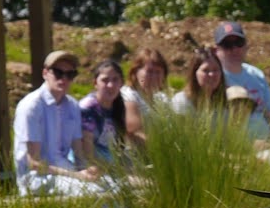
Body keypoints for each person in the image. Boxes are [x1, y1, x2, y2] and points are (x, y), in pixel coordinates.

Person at [12, 51, 107, 195]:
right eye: (58, 72)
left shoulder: (72, 106)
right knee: (94, 192)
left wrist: (88, 169)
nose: (63, 78)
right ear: (45, 74)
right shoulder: (31, 106)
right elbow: (34, 163)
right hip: (37, 179)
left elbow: (79, 154)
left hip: (67, 173)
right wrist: (77, 175)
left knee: (114, 187)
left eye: (70, 75)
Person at [212, 20, 270, 140]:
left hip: (267, 143)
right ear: (216, 50)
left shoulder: (255, 74)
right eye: (227, 44)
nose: (234, 49)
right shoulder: (214, 76)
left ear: (246, 45)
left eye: (238, 43)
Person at [78, 58, 141, 163]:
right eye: (105, 80)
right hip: (91, 166)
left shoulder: (117, 106)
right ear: (95, 83)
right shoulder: (88, 107)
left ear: (121, 83)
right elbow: (87, 152)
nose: (110, 85)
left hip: (111, 161)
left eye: (115, 80)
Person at [170, 48, 231, 116]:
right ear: (194, 73)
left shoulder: (224, 106)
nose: (211, 74)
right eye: (205, 70)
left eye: (215, 70)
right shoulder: (182, 101)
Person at [124, 49, 171, 118]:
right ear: (135, 72)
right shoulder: (127, 97)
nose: (154, 77)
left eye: (158, 72)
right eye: (150, 71)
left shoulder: (163, 100)